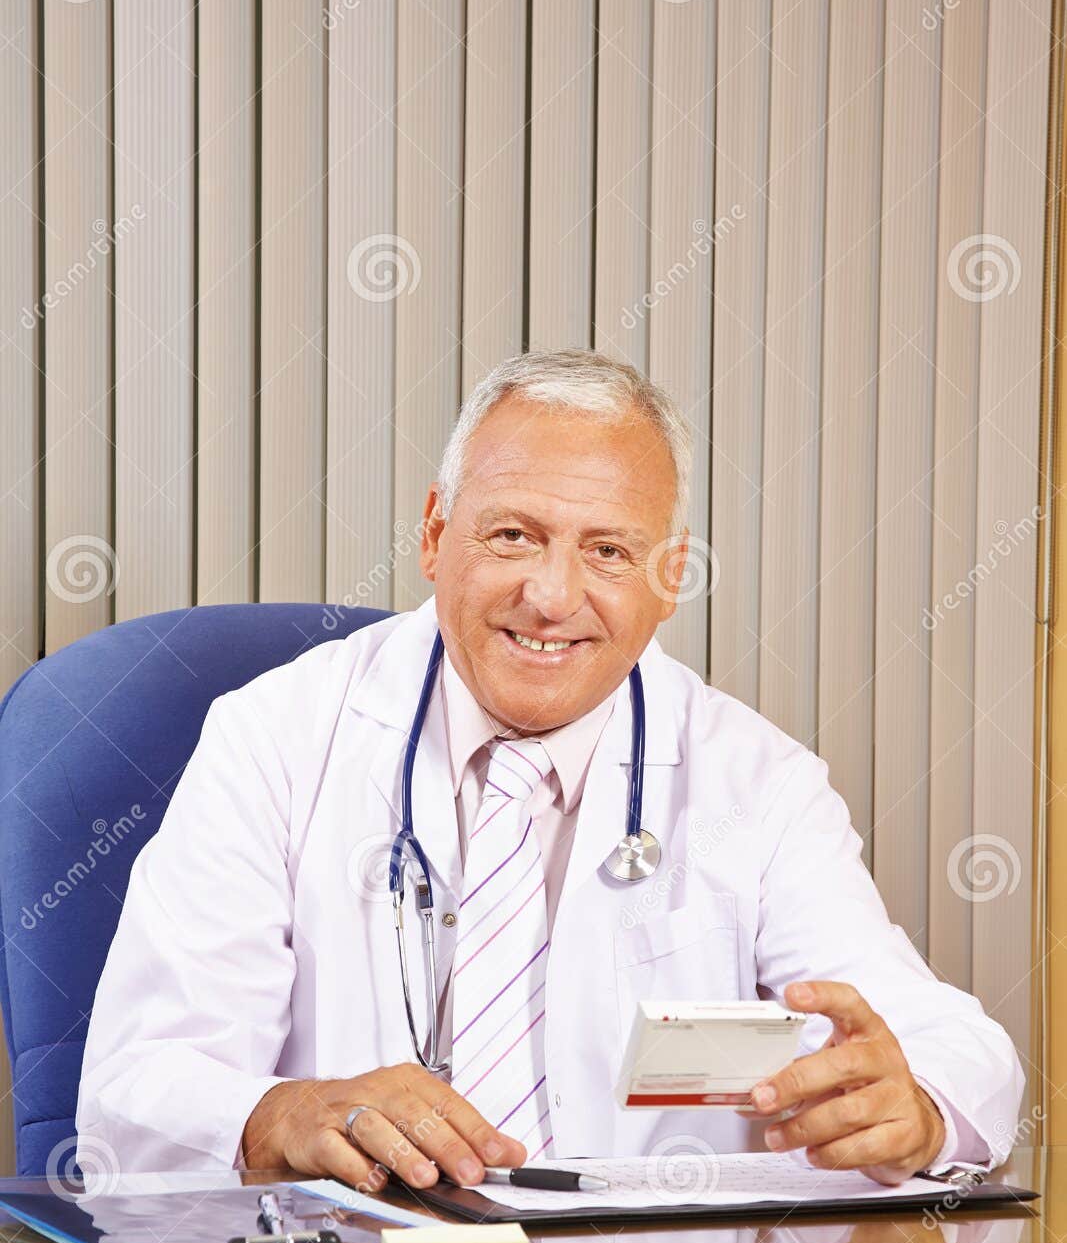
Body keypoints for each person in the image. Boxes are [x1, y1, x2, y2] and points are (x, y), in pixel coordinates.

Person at [76, 349, 1023, 1189]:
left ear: (667, 578)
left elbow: (950, 1048)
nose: (551, 596)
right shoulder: (275, 738)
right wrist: (279, 1115)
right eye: (513, 535)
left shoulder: (757, 784)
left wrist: (918, 1105)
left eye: (608, 551)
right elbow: (136, 1090)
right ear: (435, 536)